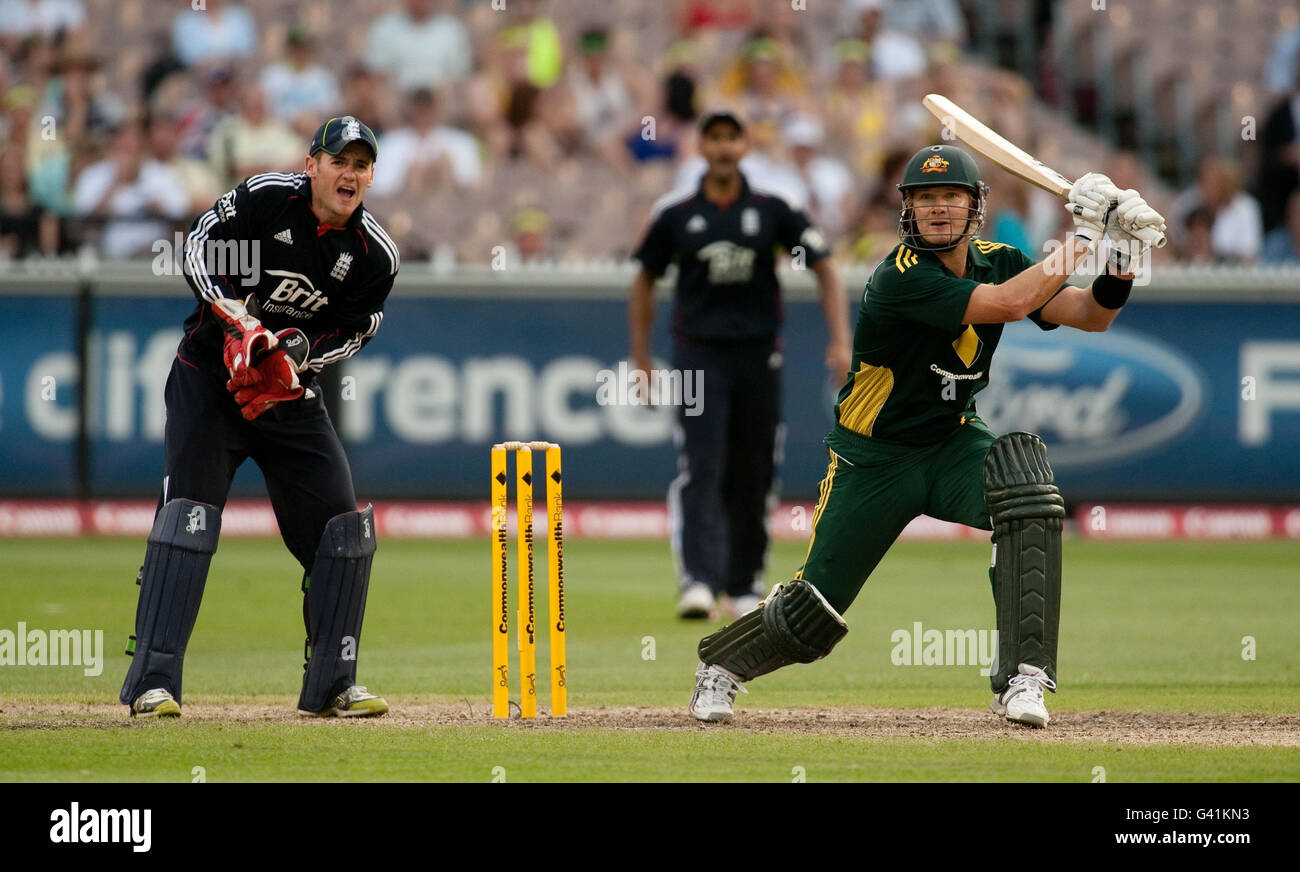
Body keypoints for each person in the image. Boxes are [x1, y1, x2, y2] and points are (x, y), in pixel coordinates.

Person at [687, 143, 1166, 728]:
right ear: (908, 211)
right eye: (925, 198)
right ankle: (723, 666)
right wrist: (1085, 236)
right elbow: (1010, 305)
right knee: (815, 612)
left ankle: (1023, 679)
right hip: (874, 458)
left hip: (951, 441)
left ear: (974, 208)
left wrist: (1121, 251)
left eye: (952, 197)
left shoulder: (1000, 258)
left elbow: (1092, 315)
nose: (939, 209)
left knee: (1030, 497)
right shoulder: (899, 278)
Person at [119, 115, 400, 719]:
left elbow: (356, 330)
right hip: (209, 383)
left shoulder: (375, 255)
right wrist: (240, 323)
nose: (349, 174)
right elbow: (195, 250)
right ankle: (153, 682)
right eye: (339, 161)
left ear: (370, 176)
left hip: (285, 397)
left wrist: (294, 360)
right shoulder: (266, 200)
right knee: (188, 520)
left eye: (360, 165)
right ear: (312, 165)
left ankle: (333, 683)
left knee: (342, 532)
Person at [630, 109, 851, 621]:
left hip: (758, 355)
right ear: (702, 147)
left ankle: (744, 581)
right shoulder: (677, 214)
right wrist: (641, 358)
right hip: (698, 356)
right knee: (701, 465)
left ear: (746, 146)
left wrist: (841, 341)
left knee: (753, 469)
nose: (725, 148)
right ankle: (699, 580)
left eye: (733, 138)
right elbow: (643, 280)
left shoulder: (773, 210)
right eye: (715, 139)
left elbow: (824, 264)